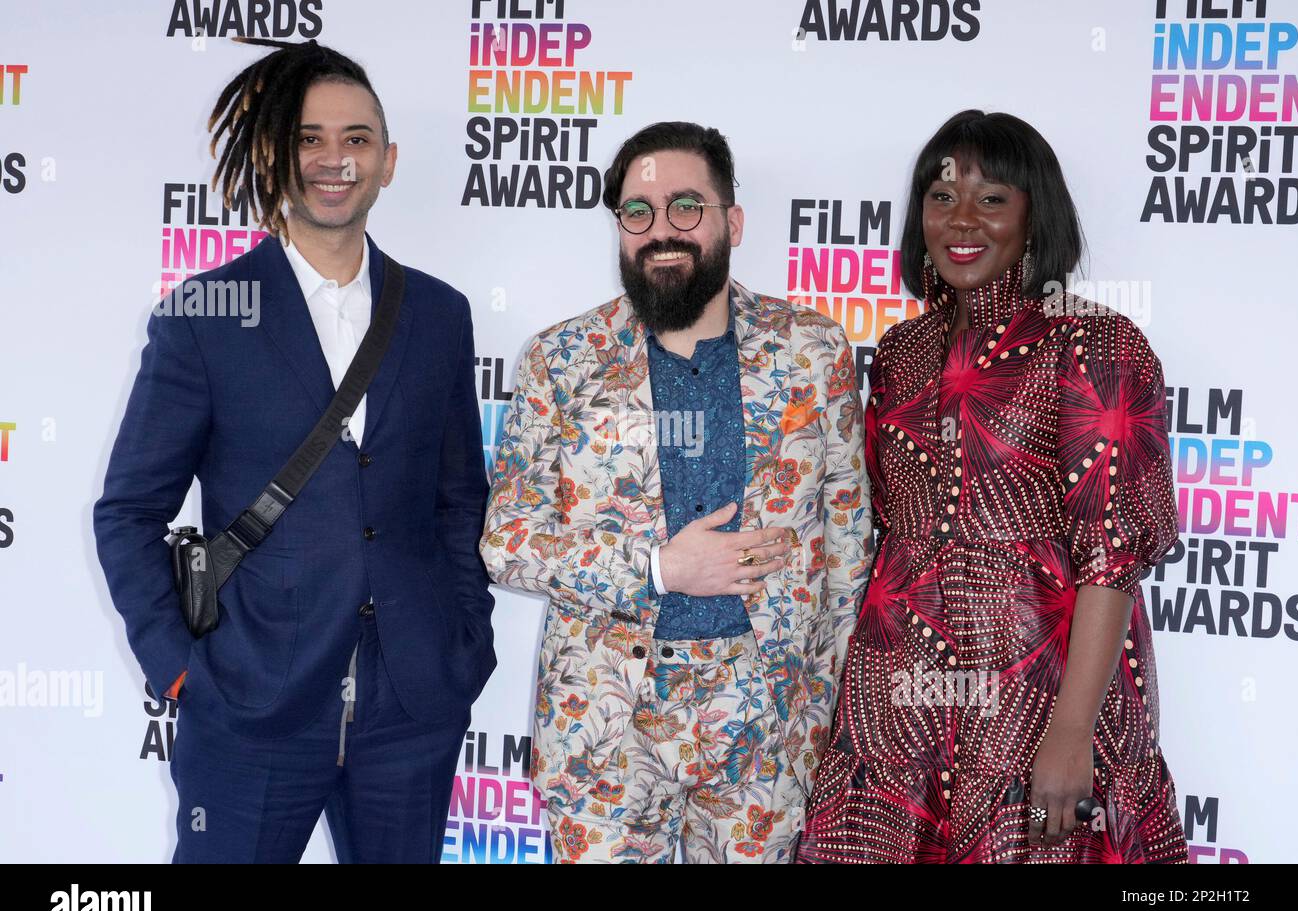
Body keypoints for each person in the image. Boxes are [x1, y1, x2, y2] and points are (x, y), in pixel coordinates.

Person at [93, 38, 495, 863]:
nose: (334, 159)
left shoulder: (440, 314)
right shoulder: (205, 315)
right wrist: (179, 671)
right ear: (275, 154)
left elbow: (460, 500)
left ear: (388, 160)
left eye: (355, 139)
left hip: (412, 708)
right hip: (248, 705)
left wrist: (466, 643)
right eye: (309, 138)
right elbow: (129, 512)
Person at [798, 109, 1187, 864]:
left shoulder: (1096, 342)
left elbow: (1112, 558)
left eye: (992, 198)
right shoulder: (900, 351)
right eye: (941, 199)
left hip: (1037, 698)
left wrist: (1072, 733)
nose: (961, 220)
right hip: (897, 698)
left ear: (1036, 210)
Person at [480, 121, 869, 863]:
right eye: (639, 212)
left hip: (765, 726)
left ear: (733, 220)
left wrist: (816, 711)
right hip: (608, 727)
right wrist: (658, 569)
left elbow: (848, 549)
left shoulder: (813, 351)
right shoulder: (562, 360)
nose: (663, 231)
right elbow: (506, 543)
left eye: (687, 207)